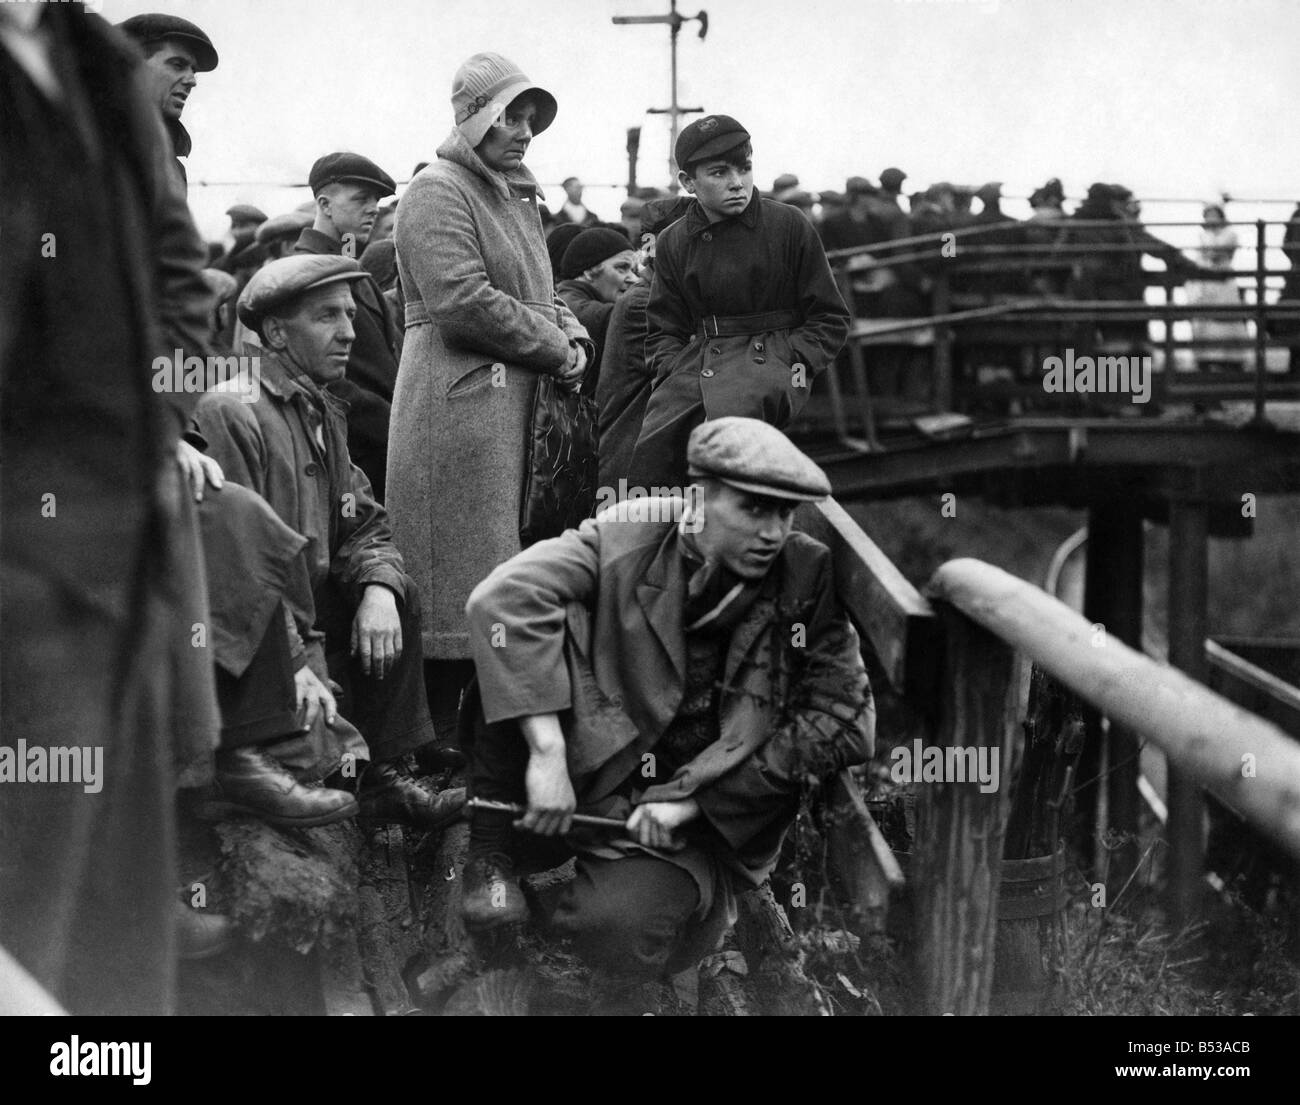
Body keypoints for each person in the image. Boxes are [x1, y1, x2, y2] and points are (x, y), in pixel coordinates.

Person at [459, 418, 874, 995]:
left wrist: (695, 804)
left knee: (617, 927)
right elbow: (501, 600)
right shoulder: (635, 531)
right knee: (518, 646)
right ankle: (491, 856)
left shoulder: (805, 577)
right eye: (754, 509)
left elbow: (846, 721)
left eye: (784, 513)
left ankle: (579, 922)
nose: (773, 532)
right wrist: (547, 750)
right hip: (599, 765)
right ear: (698, 500)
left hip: (696, 824)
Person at [1, 0, 219, 1014]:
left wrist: (158, 423)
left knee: (114, 958)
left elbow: (182, 278)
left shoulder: (93, 62)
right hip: (22, 573)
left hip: (120, 563)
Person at [194, 255, 465, 830]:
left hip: (308, 615)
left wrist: (378, 589)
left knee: (398, 593)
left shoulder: (318, 407)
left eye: (349, 315)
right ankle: (313, 768)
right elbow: (235, 573)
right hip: (259, 632)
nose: (348, 333)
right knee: (309, 754)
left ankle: (383, 777)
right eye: (326, 317)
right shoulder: (233, 410)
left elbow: (364, 522)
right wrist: (295, 660)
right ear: (275, 333)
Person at [387, 52, 593, 751]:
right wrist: (556, 347)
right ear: (473, 118)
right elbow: (462, 303)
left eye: (531, 118)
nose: (525, 131)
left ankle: (498, 755)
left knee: (506, 577)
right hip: (459, 411)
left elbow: (544, 295)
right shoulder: (436, 190)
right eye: (510, 115)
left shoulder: (515, 195)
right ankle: (443, 758)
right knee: (458, 589)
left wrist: (573, 333)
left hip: (514, 411)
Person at [626, 115, 850, 490]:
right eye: (719, 173)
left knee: (730, 457)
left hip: (770, 362)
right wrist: (671, 369)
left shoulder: (788, 224)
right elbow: (663, 328)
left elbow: (830, 318)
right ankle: (658, 525)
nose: (737, 183)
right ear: (688, 182)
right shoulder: (674, 240)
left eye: (744, 168)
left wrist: (792, 361)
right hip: (697, 362)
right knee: (651, 459)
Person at [295, 152, 401, 500]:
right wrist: (399, 425)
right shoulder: (303, 273)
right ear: (324, 205)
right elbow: (318, 379)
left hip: (383, 458)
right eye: (360, 199)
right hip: (349, 463)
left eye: (376, 202)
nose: (372, 209)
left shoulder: (355, 271)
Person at [596, 197, 692, 494]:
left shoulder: (661, 296)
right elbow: (693, 373)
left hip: (651, 464)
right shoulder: (644, 302)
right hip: (636, 471)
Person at [116, 12, 218, 191]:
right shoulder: (89, 143)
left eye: (193, 71)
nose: (192, 81)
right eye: (178, 65)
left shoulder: (172, 168)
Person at [556, 227, 640, 377]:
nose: (634, 279)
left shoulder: (569, 298)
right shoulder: (575, 309)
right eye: (622, 268)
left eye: (634, 271)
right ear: (589, 271)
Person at [1185, 203, 1248, 370]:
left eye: (1213, 215)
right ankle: (1205, 358)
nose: (1210, 219)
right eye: (1208, 215)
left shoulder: (1229, 234)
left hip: (1222, 281)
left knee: (1225, 317)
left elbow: (1216, 253)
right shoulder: (1203, 235)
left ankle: (1231, 359)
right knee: (1206, 319)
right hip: (1205, 282)